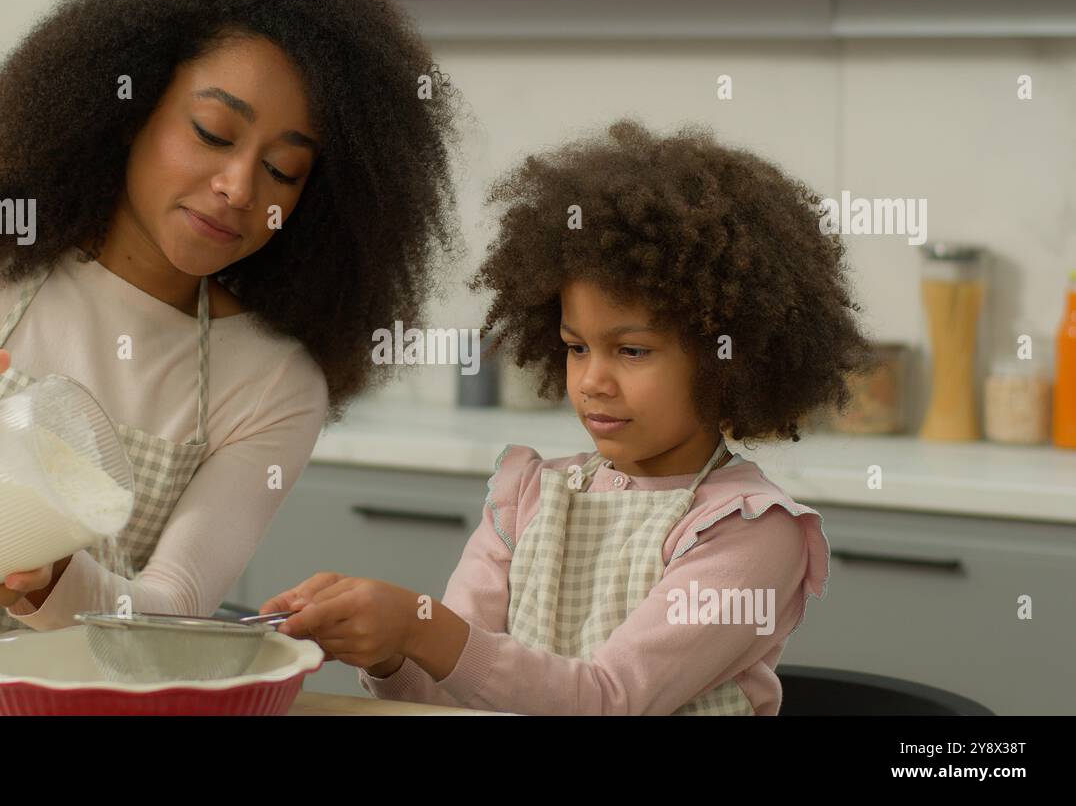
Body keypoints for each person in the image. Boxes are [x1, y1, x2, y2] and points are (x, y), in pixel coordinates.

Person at [0, 0, 462, 647]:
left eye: (283, 170)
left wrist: (44, 578)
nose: (239, 187)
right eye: (211, 131)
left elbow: (171, 614)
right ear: (127, 106)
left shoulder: (274, 382)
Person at [262, 120, 873, 715]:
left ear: (728, 361)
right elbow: (449, 697)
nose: (592, 381)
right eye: (577, 347)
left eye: (631, 351)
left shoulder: (749, 533)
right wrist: (392, 650)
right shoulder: (526, 497)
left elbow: (610, 700)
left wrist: (419, 628)